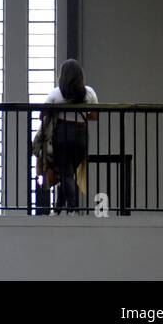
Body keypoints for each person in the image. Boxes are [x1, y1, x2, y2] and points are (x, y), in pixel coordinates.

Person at [40, 59, 98, 213]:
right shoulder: (89, 92)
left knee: (66, 172)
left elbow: (42, 114)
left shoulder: (56, 93)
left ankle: (73, 209)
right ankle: (58, 208)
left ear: (63, 76)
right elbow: (94, 116)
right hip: (81, 135)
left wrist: (58, 109)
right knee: (68, 172)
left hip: (62, 134)